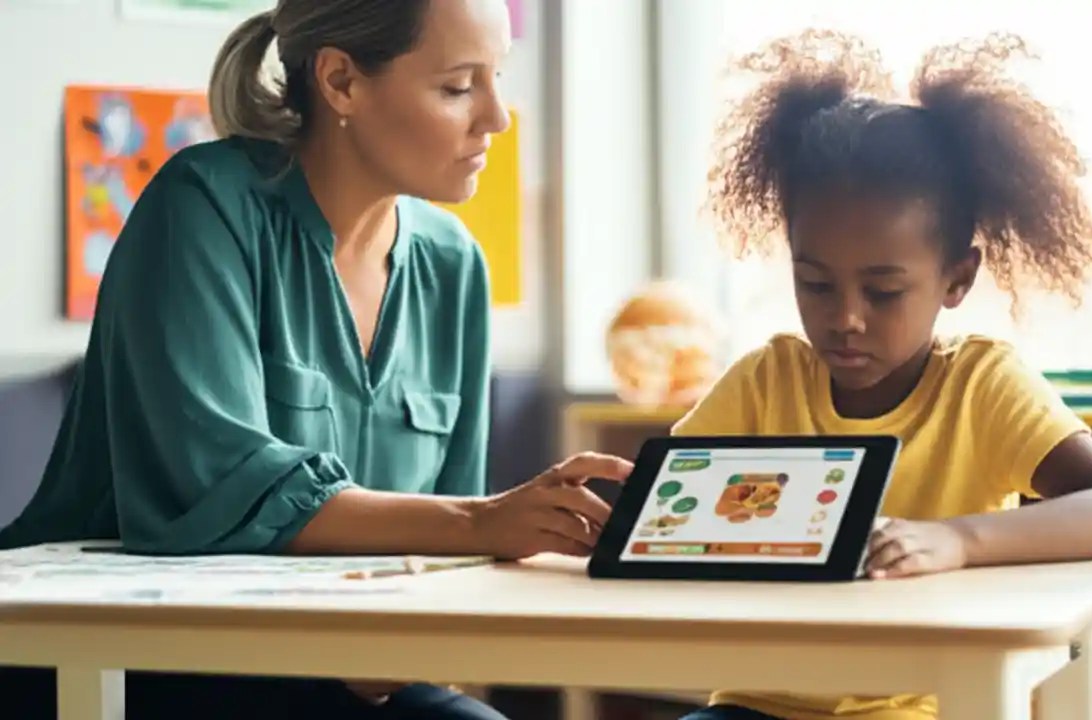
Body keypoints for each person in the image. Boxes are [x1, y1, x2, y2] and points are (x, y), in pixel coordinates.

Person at [0, 1, 632, 718]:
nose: (498, 117)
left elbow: (452, 543)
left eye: (499, 78)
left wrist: (477, 565)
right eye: (459, 87)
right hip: (137, 669)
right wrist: (481, 521)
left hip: (345, 672)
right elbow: (226, 485)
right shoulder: (202, 206)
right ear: (340, 82)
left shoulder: (455, 267)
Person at [674, 30, 1092, 720]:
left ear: (957, 278)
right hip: (758, 703)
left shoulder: (981, 389)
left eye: (882, 292)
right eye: (815, 284)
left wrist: (958, 540)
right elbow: (663, 509)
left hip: (929, 705)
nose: (845, 318)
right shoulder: (764, 382)